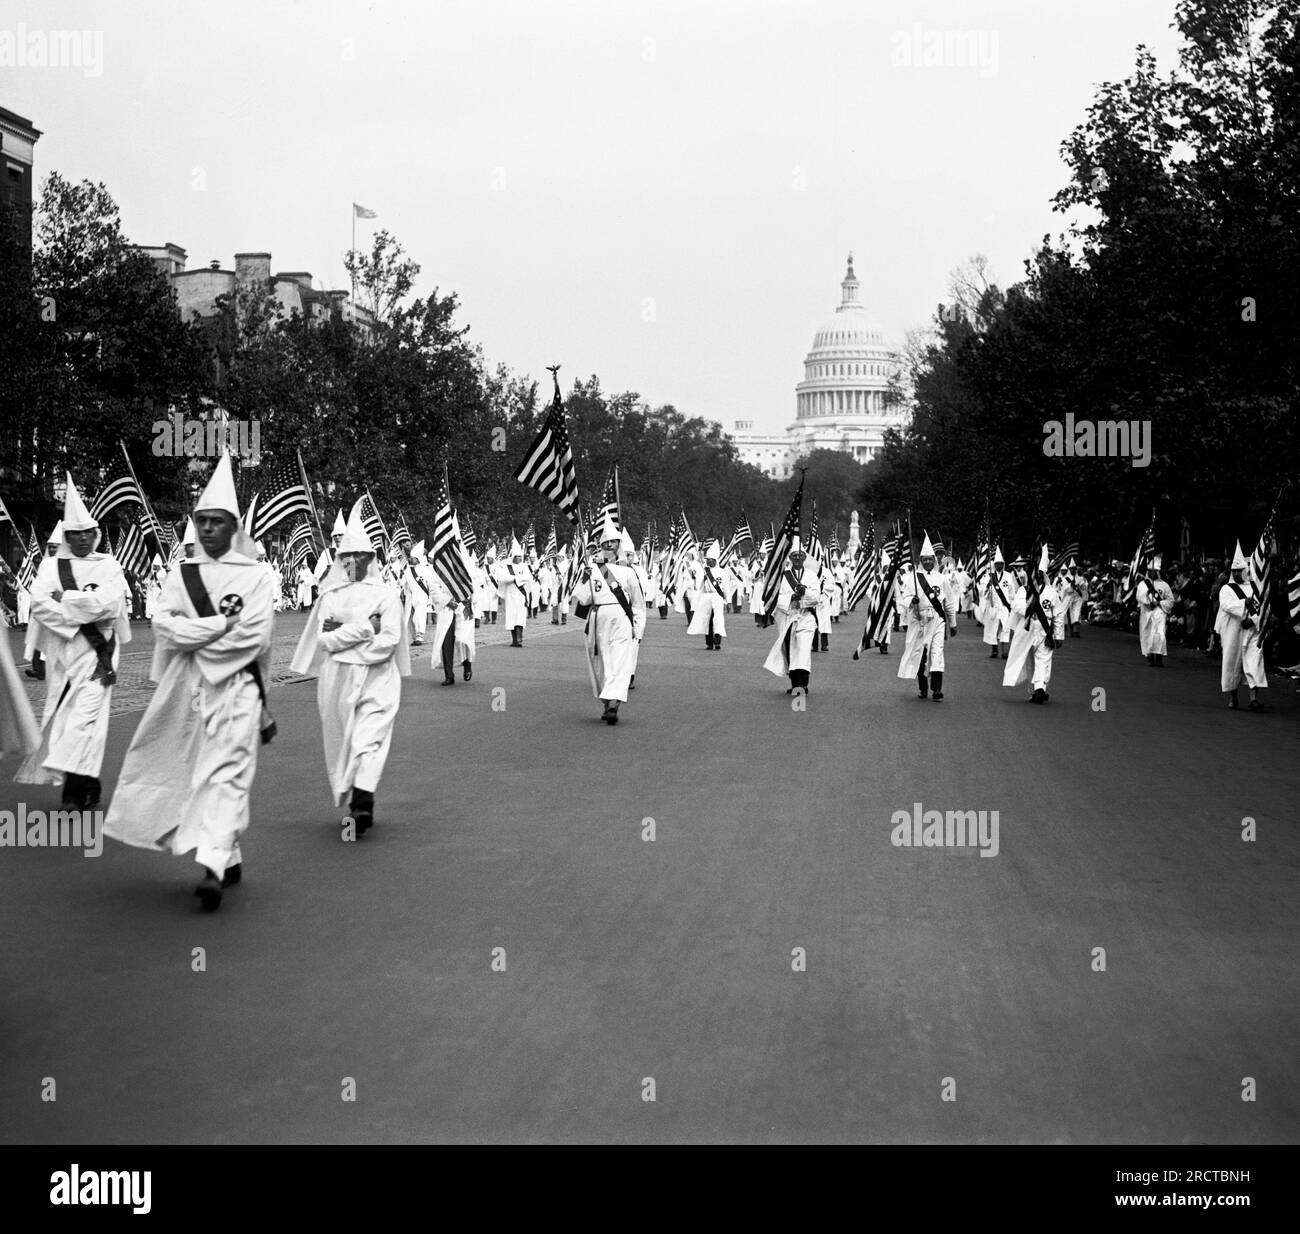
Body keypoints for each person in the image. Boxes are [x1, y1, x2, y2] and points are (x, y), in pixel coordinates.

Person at [104, 454, 275, 911]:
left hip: (238, 689)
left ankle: (213, 867)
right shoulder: (182, 574)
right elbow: (163, 624)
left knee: (227, 772)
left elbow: (252, 639)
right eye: (201, 521)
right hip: (187, 691)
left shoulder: (258, 577)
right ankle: (229, 851)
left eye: (217, 522)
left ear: (234, 526)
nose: (208, 529)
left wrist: (194, 636)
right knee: (194, 770)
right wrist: (218, 626)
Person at [291, 504, 409, 834]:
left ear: (370, 559)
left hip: (378, 677)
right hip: (337, 678)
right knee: (343, 739)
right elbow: (324, 640)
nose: (353, 562)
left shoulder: (387, 595)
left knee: (368, 739)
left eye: (360, 556)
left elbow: (389, 640)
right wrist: (363, 627)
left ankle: (362, 803)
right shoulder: (330, 595)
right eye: (347, 556)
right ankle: (355, 795)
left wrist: (347, 634)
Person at [15, 478, 130, 810]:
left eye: (87, 533)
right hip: (63, 656)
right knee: (67, 723)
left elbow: (111, 605)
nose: (81, 539)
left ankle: (72, 794)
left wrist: (65, 599)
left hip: (98, 656)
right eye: (74, 534)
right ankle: (88, 783)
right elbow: (39, 604)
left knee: (84, 721)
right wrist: (83, 607)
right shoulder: (52, 566)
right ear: (66, 537)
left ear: (95, 534)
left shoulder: (109, 565)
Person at [572, 514, 646, 724]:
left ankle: (614, 703)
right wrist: (584, 577)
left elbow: (638, 604)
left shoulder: (628, 572)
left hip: (622, 618)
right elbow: (584, 599)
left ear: (618, 545)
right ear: (601, 545)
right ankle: (607, 701)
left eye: (613, 542)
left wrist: (638, 630)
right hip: (598, 619)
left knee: (620, 659)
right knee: (603, 660)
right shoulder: (593, 569)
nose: (609, 545)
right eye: (606, 542)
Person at [897, 533, 958, 701]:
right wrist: (912, 600)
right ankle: (923, 688)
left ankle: (937, 689)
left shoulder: (942, 579)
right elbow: (905, 597)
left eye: (930, 559)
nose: (928, 562)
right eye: (925, 559)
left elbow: (949, 603)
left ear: (934, 560)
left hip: (937, 619)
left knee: (937, 652)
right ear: (921, 560)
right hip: (918, 619)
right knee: (920, 654)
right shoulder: (913, 578)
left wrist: (952, 624)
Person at [762, 536, 822, 697]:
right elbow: (775, 597)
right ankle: (795, 683)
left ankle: (802, 684)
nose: (797, 558)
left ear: (804, 558)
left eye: (800, 556)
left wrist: (805, 593)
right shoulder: (782, 576)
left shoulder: (811, 576)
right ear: (789, 558)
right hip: (787, 618)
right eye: (794, 555)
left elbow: (817, 597)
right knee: (790, 650)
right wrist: (792, 598)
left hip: (805, 618)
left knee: (802, 650)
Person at [1216, 542, 1268, 711]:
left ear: (1246, 571)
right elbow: (1227, 606)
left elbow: (1262, 609)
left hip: (1251, 632)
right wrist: (1243, 603)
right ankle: (1233, 697)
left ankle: (1254, 699)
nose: (1237, 573)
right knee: (1232, 664)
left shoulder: (1255, 588)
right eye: (1234, 571)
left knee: (1254, 662)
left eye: (1240, 570)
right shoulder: (1226, 589)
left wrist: (1253, 620)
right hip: (1233, 632)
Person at [688, 540, 733, 651]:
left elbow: (726, 588)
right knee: (707, 620)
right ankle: (709, 643)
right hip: (706, 597)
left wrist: (729, 602)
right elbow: (699, 587)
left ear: (714, 561)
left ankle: (717, 642)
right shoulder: (705, 571)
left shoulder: (722, 572)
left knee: (718, 620)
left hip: (717, 597)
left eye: (709, 560)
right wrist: (700, 578)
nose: (707, 562)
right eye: (706, 560)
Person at [1137, 554, 1174, 667]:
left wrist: (1159, 603)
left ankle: (1159, 658)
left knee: (1160, 635)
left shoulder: (1164, 585)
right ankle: (1150, 657)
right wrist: (1147, 597)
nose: (1151, 573)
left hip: (1159, 612)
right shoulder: (1143, 584)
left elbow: (1171, 600)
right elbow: (1139, 597)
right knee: (1148, 635)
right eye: (1150, 570)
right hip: (1147, 613)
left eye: (1153, 571)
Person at [495, 539, 532, 647]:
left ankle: (519, 639)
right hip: (510, 595)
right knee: (512, 617)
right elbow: (502, 578)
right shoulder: (507, 567)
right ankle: (514, 640)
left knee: (520, 616)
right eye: (517, 556)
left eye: (521, 556)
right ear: (513, 557)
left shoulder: (524, 566)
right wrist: (514, 578)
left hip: (521, 595)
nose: (519, 558)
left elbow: (527, 577)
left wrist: (514, 578)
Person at [978, 547, 1013, 659]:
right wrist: (988, 586)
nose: (999, 566)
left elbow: (1012, 592)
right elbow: (982, 592)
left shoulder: (1008, 575)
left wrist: (1011, 604)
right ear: (994, 564)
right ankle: (994, 650)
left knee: (1005, 629)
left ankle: (1004, 652)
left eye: (1001, 564)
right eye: (997, 564)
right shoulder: (989, 576)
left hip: (1004, 607)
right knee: (993, 629)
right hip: (993, 607)